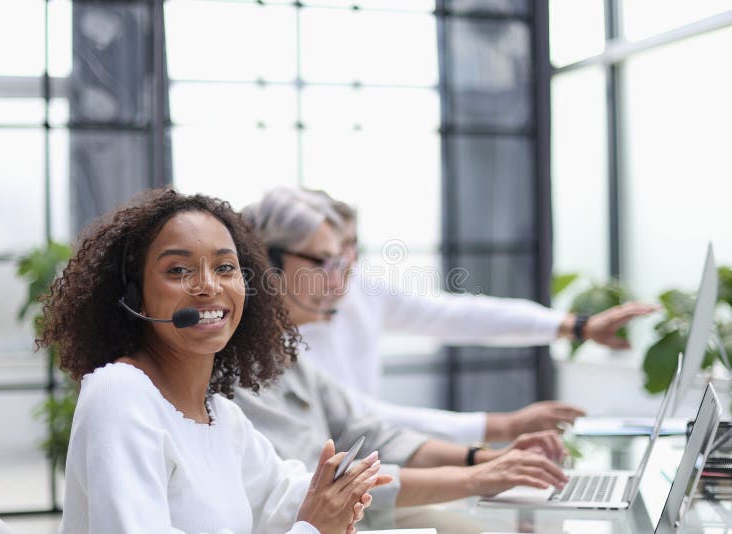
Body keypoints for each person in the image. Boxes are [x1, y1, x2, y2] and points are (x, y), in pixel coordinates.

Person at [39, 188, 390, 534]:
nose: (209, 286)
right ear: (135, 296)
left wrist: (332, 493)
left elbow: (277, 498)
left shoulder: (222, 417)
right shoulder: (119, 395)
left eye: (225, 267)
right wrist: (313, 527)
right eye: (179, 270)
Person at [238, 190, 570, 531]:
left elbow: (371, 432)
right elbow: (317, 485)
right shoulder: (240, 375)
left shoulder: (284, 355)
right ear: (266, 263)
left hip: (357, 510)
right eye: (323, 262)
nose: (338, 281)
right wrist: (478, 474)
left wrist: (484, 459)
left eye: (342, 261)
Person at [294, 188, 657, 443]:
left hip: (370, 462)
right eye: (329, 254)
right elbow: (359, 415)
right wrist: (502, 426)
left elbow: (457, 314)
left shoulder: (361, 291)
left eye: (351, 246)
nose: (345, 262)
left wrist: (576, 326)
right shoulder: (282, 334)